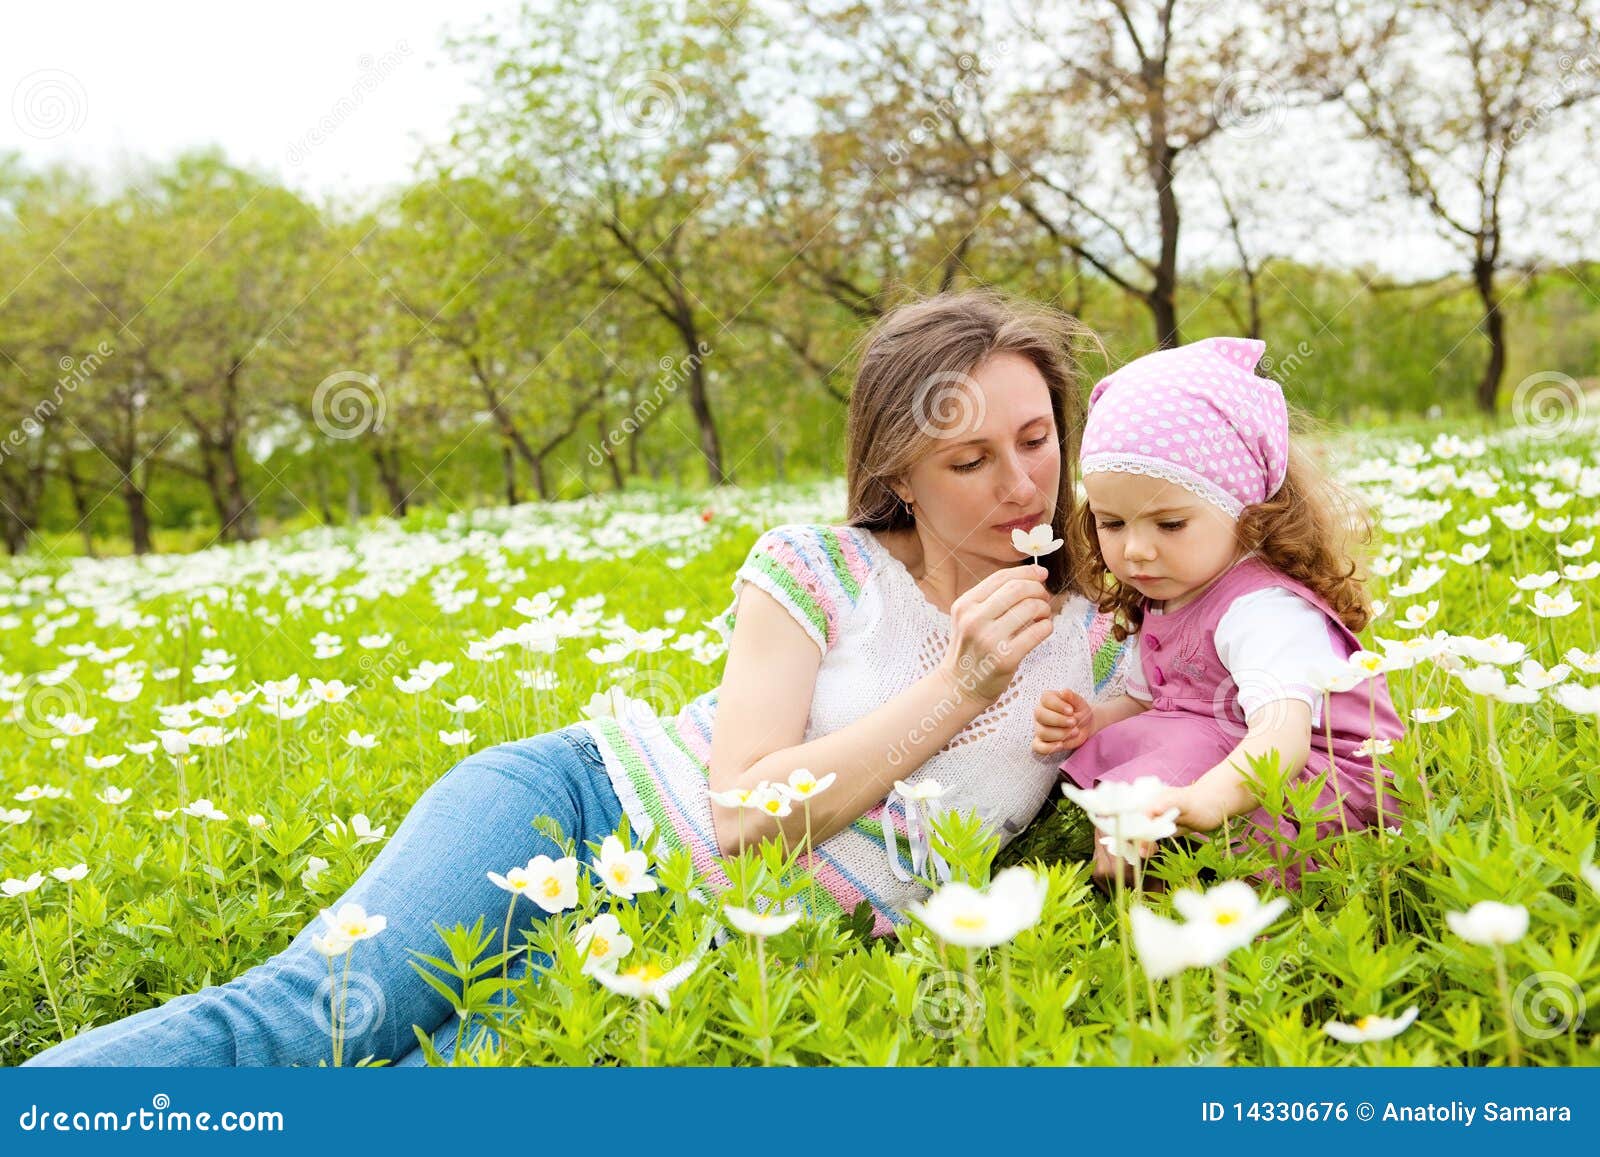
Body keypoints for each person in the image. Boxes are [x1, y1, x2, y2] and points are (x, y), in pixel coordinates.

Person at [23, 289, 1130, 1067]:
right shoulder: (816, 565)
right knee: (306, 1024)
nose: (1020, 483)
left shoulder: (1098, 620)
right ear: (898, 466)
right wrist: (958, 688)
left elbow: (1255, 636)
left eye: (1037, 439)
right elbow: (744, 811)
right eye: (969, 459)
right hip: (577, 815)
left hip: (689, 952)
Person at [1031, 337, 1404, 891]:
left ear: (1247, 515)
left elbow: (1282, 737)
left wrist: (1203, 803)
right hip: (1236, 754)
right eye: (1112, 524)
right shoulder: (1169, 589)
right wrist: (1093, 721)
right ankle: (1158, 868)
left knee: (1183, 748)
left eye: (1170, 524)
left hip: (1328, 789)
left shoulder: (1263, 610)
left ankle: (1201, 875)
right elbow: (1146, 701)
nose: (1135, 549)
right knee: (1153, 737)